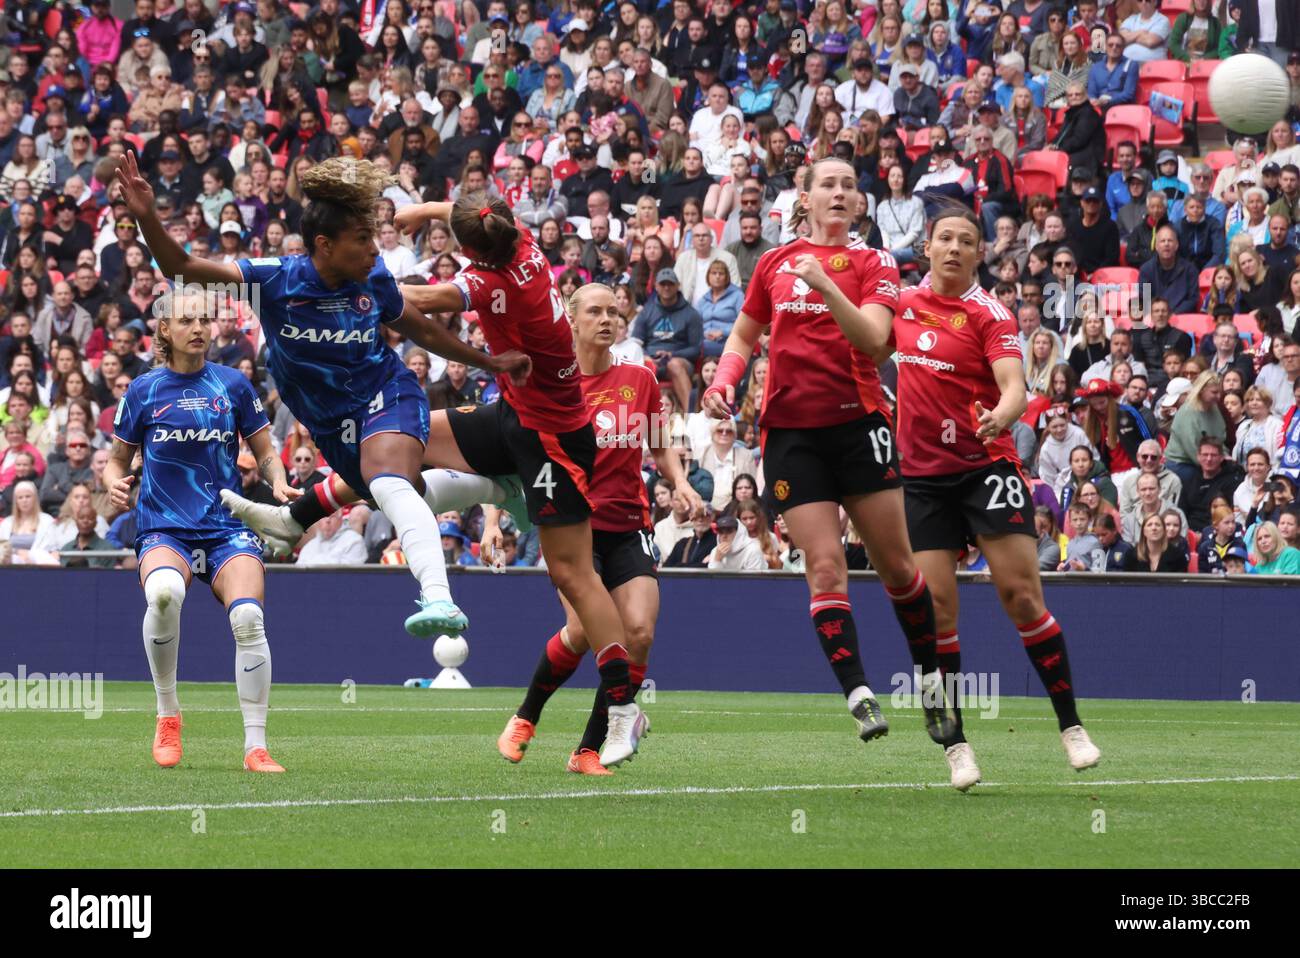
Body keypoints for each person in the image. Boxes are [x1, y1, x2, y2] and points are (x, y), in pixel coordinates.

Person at [225, 194, 648, 767]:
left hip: (553, 436)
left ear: (472, 254)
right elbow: (464, 207)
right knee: (403, 445)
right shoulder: (518, 240)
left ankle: (622, 707)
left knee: (573, 575)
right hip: (516, 414)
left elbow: (412, 301)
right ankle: (295, 517)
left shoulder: (493, 286)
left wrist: (351, 285)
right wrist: (420, 213)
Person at [120, 153, 527, 642]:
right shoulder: (275, 279)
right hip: (333, 426)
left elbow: (422, 331)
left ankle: (437, 595)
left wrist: (488, 362)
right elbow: (181, 265)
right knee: (397, 492)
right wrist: (146, 215)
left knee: (391, 481)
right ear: (324, 245)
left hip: (388, 392)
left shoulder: (372, 280)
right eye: (362, 240)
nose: (375, 250)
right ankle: (497, 488)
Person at [702, 157, 954, 749]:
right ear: (806, 198)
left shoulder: (873, 262)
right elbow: (743, 335)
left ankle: (933, 687)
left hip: (859, 426)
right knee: (822, 566)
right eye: (828, 185)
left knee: (897, 568)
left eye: (848, 186)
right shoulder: (773, 263)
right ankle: (859, 694)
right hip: (791, 435)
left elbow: (873, 342)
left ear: (859, 202)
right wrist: (723, 381)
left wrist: (824, 282)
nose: (839, 193)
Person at [890, 204, 1101, 790]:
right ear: (926, 248)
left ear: (981, 253)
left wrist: (998, 417)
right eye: (944, 239)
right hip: (924, 479)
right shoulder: (901, 306)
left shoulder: (990, 314)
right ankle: (956, 745)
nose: (954, 248)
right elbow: (861, 345)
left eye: (966, 241)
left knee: (1021, 596)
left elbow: (1015, 388)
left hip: (987, 467)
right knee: (936, 608)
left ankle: (1071, 727)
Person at [492, 283, 703, 773]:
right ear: (571, 319)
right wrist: (491, 520)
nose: (607, 319)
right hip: (572, 528)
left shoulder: (642, 378)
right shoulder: (546, 385)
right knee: (583, 631)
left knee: (640, 633)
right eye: (595, 311)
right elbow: (507, 459)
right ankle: (525, 718)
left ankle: (588, 749)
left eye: (614, 311)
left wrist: (680, 481)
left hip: (630, 523)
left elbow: (658, 443)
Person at [102, 289, 294, 773]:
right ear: (165, 329)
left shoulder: (233, 384)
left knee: (248, 619)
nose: (200, 327)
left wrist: (278, 481)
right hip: (165, 527)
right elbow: (115, 462)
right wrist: (114, 485)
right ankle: (168, 713)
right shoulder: (143, 390)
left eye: (205, 318)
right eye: (188, 319)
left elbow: (266, 451)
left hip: (227, 526)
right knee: (164, 595)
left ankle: (256, 747)